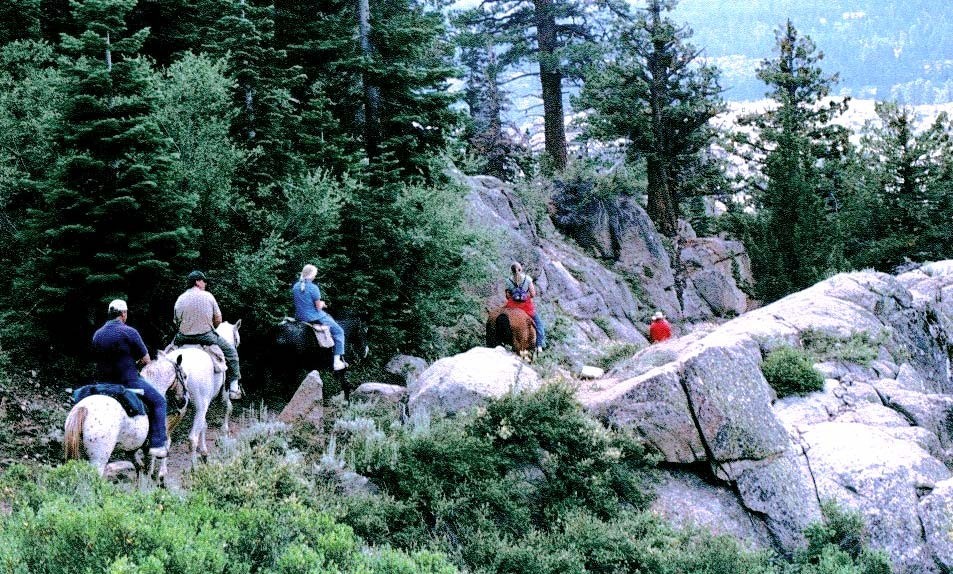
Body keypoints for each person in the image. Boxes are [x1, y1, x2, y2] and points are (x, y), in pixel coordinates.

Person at [91, 299, 169, 458]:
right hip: (129, 381)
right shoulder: (129, 332)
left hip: (104, 384)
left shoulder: (97, 335)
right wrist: (135, 364)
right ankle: (158, 444)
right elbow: (146, 360)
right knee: (160, 402)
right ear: (123, 314)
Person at [173, 270, 241, 398]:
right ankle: (233, 388)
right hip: (206, 336)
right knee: (232, 353)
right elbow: (218, 319)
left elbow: (176, 321)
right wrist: (210, 328)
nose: (205, 283)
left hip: (182, 337)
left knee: (166, 354)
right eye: (203, 281)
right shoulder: (208, 296)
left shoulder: (180, 298)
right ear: (197, 282)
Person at [292, 264, 347, 370]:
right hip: (314, 317)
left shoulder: (295, 286)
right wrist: (322, 304)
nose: (315, 276)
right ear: (311, 275)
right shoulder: (313, 288)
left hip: (299, 316)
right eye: (315, 274)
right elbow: (318, 307)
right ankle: (336, 362)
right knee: (339, 331)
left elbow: (302, 301)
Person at [503, 261, 545, 353]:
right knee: (539, 324)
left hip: (512, 306)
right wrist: (525, 297)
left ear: (511, 270)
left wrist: (514, 296)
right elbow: (533, 294)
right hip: (526, 307)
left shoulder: (508, 281)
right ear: (520, 269)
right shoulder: (528, 279)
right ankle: (539, 346)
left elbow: (507, 296)